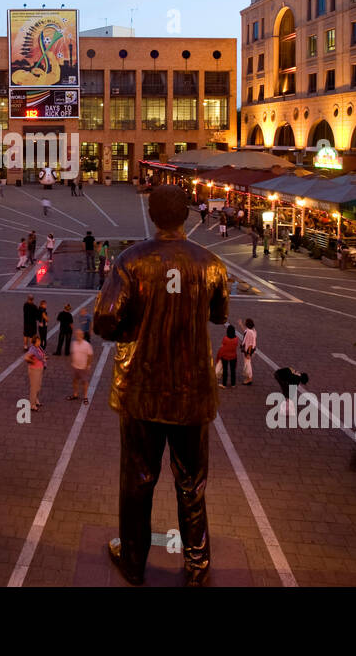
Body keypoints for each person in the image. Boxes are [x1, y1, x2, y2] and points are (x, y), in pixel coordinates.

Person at [95, 184, 230, 587]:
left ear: (152, 214)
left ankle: (134, 561)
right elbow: (220, 315)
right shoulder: (211, 263)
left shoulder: (130, 261)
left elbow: (105, 320)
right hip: (192, 392)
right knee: (192, 483)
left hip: (142, 389)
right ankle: (197, 564)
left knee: (138, 480)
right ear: (186, 215)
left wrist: (135, 328)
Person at [68, 329, 94, 404]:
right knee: (75, 380)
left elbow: (90, 356)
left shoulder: (87, 345)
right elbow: (72, 353)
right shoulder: (74, 343)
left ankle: (85, 396)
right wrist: (72, 362)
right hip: (75, 366)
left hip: (83, 367)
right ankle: (75, 394)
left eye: (80, 335)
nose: (78, 336)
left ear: (82, 336)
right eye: (77, 334)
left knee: (84, 382)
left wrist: (88, 365)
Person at [24, 335, 47, 412]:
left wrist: (44, 358)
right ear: (34, 342)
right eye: (38, 341)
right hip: (34, 370)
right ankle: (32, 404)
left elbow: (40, 356)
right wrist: (33, 362)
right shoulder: (32, 349)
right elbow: (26, 358)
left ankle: (36, 400)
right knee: (34, 387)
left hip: (40, 369)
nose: (39, 342)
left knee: (38, 386)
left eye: (39, 341)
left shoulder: (38, 348)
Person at [240, 318, 257, 385]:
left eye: (245, 322)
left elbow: (250, 344)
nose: (245, 322)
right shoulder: (252, 330)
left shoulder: (249, 332)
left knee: (247, 364)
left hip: (248, 350)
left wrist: (248, 353)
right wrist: (241, 324)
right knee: (247, 363)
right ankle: (248, 377)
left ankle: (249, 378)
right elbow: (245, 331)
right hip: (249, 350)